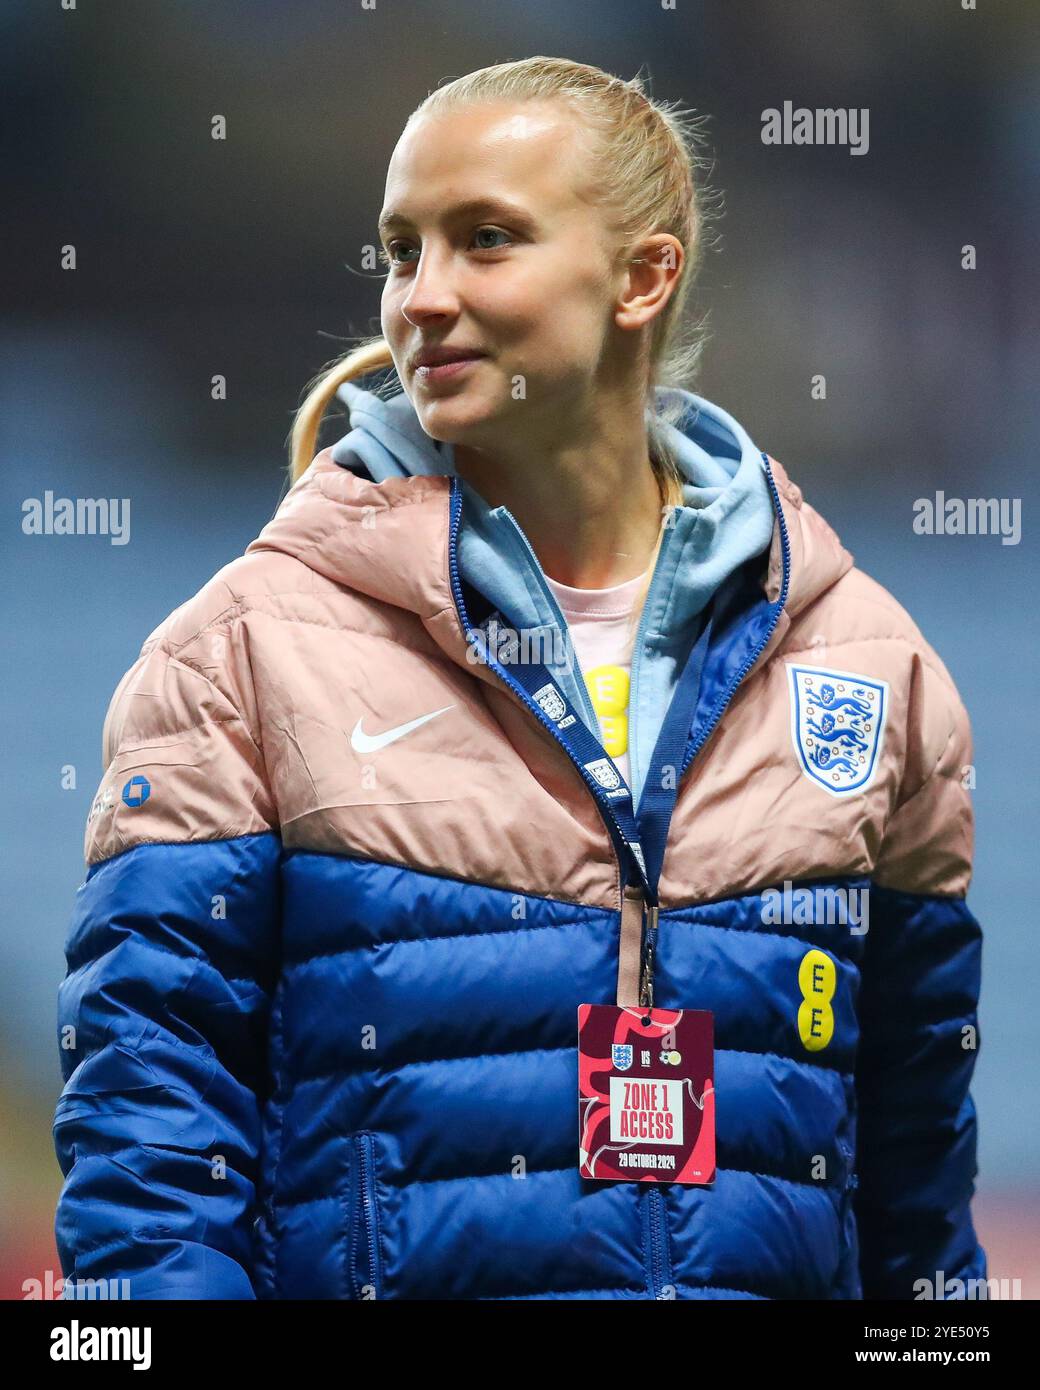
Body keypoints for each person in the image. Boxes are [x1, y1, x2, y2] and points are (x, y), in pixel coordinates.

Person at [52, 56, 986, 1301]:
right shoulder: (239, 655)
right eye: (400, 252)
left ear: (641, 277)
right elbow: (147, 1154)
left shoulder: (868, 663)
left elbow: (916, 1209)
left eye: (485, 240)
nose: (421, 299)